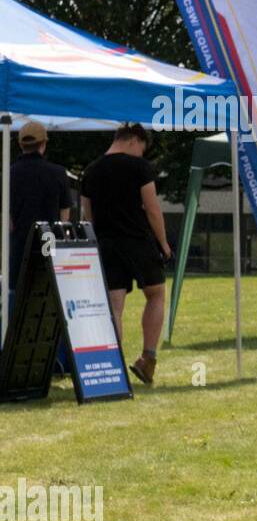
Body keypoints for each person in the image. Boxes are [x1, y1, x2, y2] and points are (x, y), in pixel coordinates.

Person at [80, 124, 173, 385]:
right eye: (142, 149)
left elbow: (88, 213)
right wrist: (164, 244)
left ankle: (114, 366)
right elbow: (152, 208)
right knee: (156, 295)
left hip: (107, 244)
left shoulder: (91, 170)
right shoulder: (139, 168)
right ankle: (148, 359)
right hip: (139, 242)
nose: (142, 154)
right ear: (135, 141)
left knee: (114, 308)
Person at [6, 120, 73, 290]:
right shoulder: (58, 173)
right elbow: (64, 216)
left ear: (21, 145)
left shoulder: (9, 174)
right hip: (48, 244)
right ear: (43, 144)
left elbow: (8, 220)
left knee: (16, 295)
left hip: (19, 246)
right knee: (48, 293)